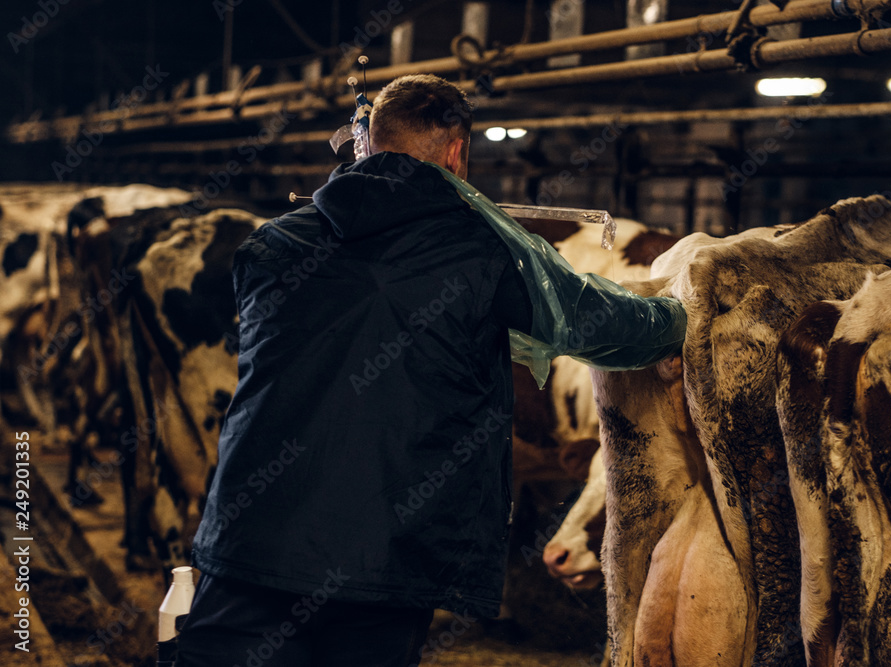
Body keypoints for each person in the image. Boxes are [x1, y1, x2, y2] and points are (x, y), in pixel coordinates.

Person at [178, 74, 685, 667]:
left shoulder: (269, 247)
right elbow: (591, 323)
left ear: (365, 144)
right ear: (457, 152)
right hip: (382, 564)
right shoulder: (482, 251)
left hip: (245, 544)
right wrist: (680, 316)